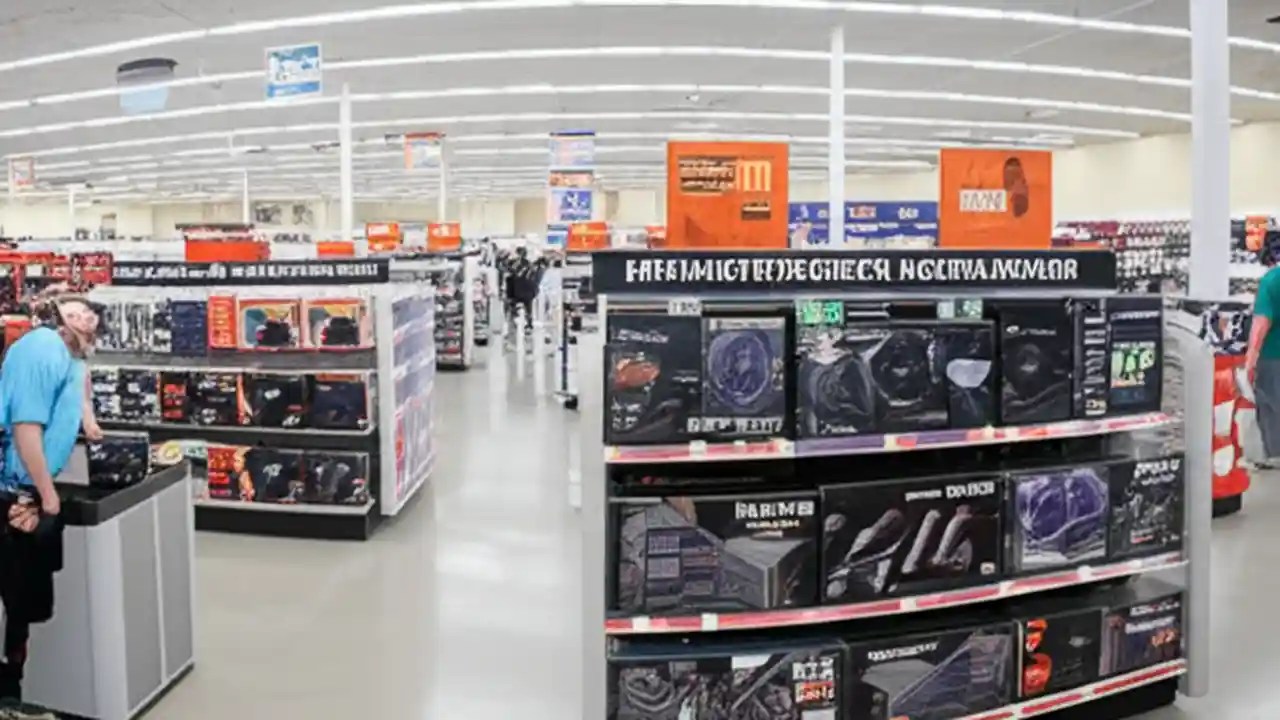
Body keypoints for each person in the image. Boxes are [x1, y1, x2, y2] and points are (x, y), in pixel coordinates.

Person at [0, 288, 100, 714]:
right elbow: (26, 427)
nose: (89, 317)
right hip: (14, 492)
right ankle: (8, 694)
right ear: (57, 317)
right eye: (77, 311)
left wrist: (91, 424)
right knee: (14, 598)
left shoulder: (71, 358)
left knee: (22, 605)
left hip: (27, 491)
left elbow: (79, 397)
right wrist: (47, 496)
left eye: (91, 312)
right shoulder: (42, 349)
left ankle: (13, 693)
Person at [1248, 236, 1280, 458]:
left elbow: (1262, 321)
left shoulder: (1272, 280)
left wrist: (1250, 358)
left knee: (1272, 412)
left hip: (1273, 358)